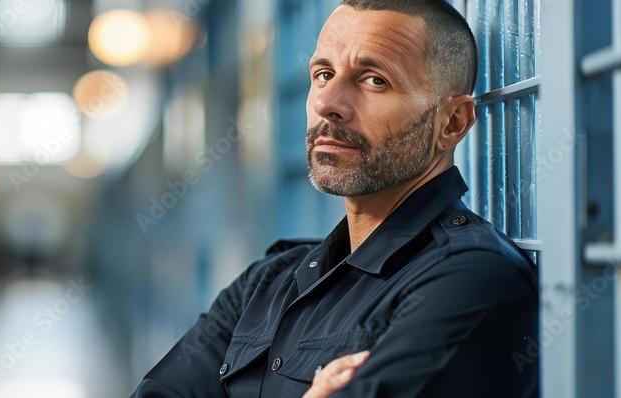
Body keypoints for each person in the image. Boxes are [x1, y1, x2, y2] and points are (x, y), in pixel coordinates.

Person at [131, 0, 539, 397]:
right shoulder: (268, 282)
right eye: (323, 74)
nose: (327, 103)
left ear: (451, 123)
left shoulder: (471, 280)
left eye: (374, 80)